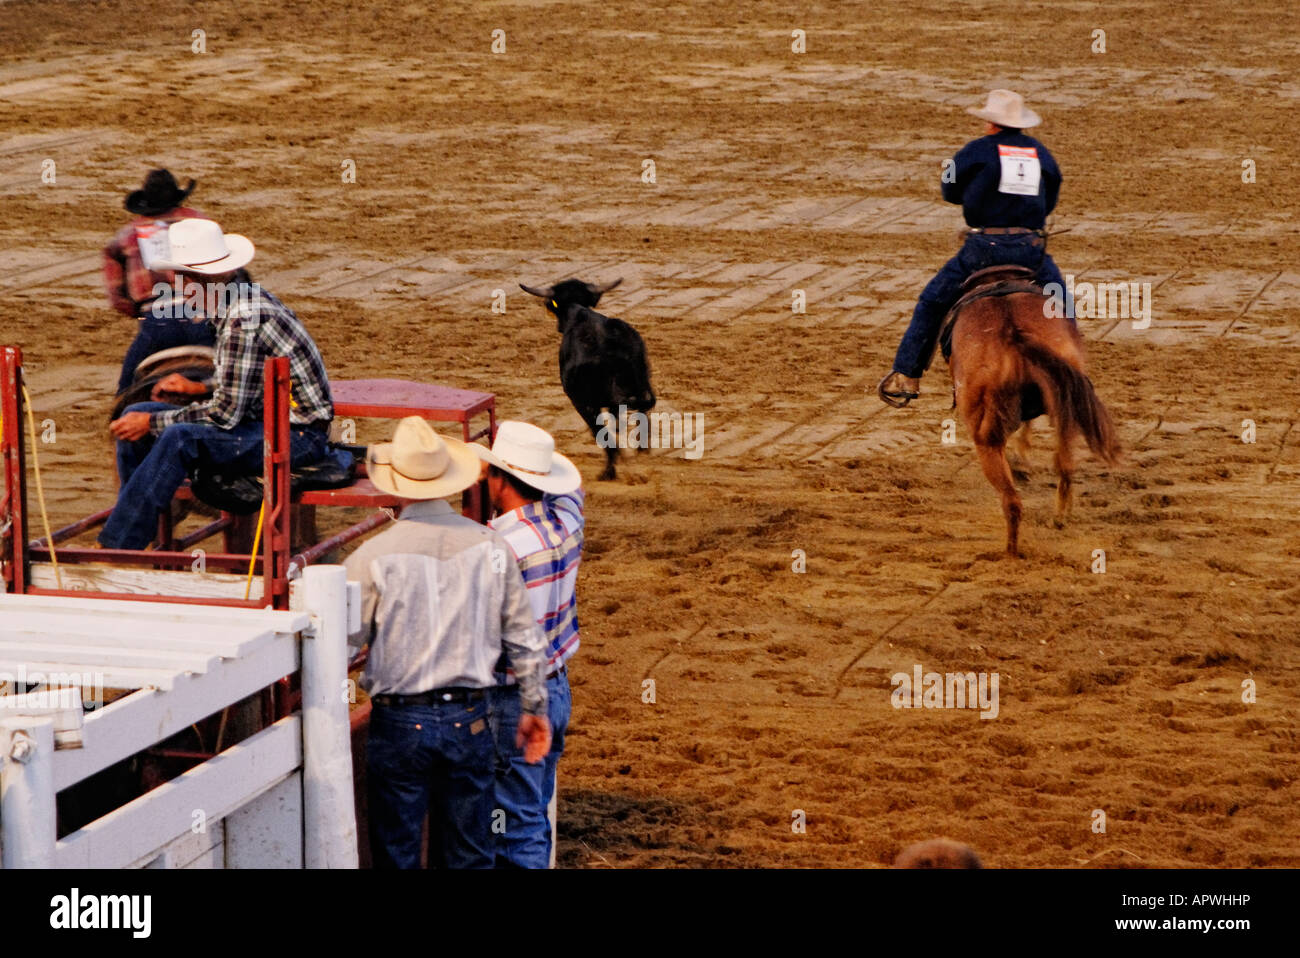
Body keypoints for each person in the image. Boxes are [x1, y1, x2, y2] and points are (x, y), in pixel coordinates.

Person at [343, 417, 552, 869]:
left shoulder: (370, 558)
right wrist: (535, 707)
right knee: (469, 853)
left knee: (397, 853)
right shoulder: (491, 547)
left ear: (395, 484)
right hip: (470, 717)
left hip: (399, 721)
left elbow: (344, 643)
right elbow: (525, 639)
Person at [98, 218, 333, 550]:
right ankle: (134, 524)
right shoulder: (241, 301)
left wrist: (152, 421)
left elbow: (224, 416)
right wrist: (201, 387)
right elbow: (245, 378)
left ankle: (120, 543)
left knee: (174, 434)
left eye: (179, 281)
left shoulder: (241, 320)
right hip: (276, 418)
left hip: (298, 435)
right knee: (136, 412)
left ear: (196, 282)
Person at [879, 90, 1071, 406]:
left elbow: (949, 189)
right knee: (1064, 304)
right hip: (1030, 248)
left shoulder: (977, 150)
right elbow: (1052, 194)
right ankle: (1077, 376)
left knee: (932, 302)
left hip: (983, 248)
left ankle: (907, 374)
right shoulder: (1041, 153)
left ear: (991, 123)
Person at [475, 421, 585, 869]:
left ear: (499, 481)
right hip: (555, 688)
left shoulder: (498, 546)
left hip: (514, 702)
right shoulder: (567, 525)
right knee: (529, 811)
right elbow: (573, 492)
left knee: (513, 824)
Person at [102, 169, 214, 393]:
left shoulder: (129, 234)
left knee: (127, 387)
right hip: (202, 316)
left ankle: (120, 415)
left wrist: (132, 307)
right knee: (232, 372)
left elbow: (115, 287)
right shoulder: (199, 221)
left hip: (157, 322)